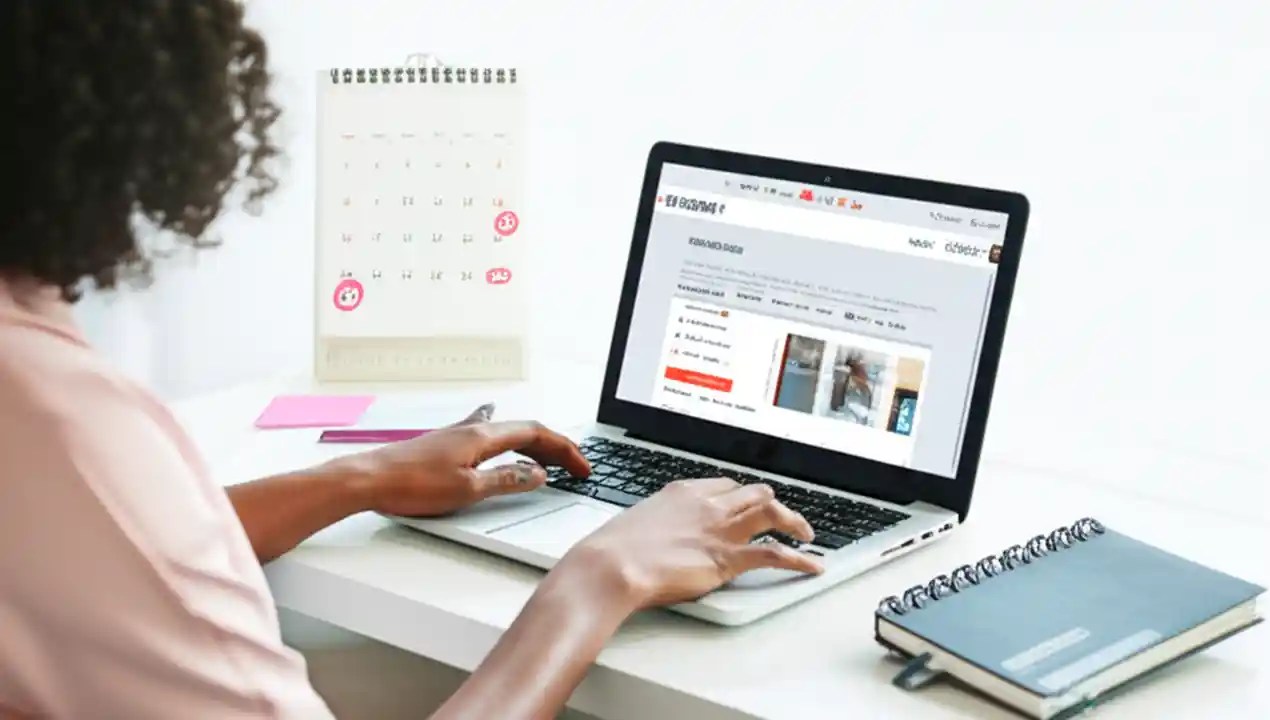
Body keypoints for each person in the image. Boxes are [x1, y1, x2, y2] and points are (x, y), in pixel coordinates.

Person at [0, 3, 822, 718]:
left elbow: (86, 542)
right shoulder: (49, 409)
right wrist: (604, 571)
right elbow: (93, 510)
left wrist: (360, 479)